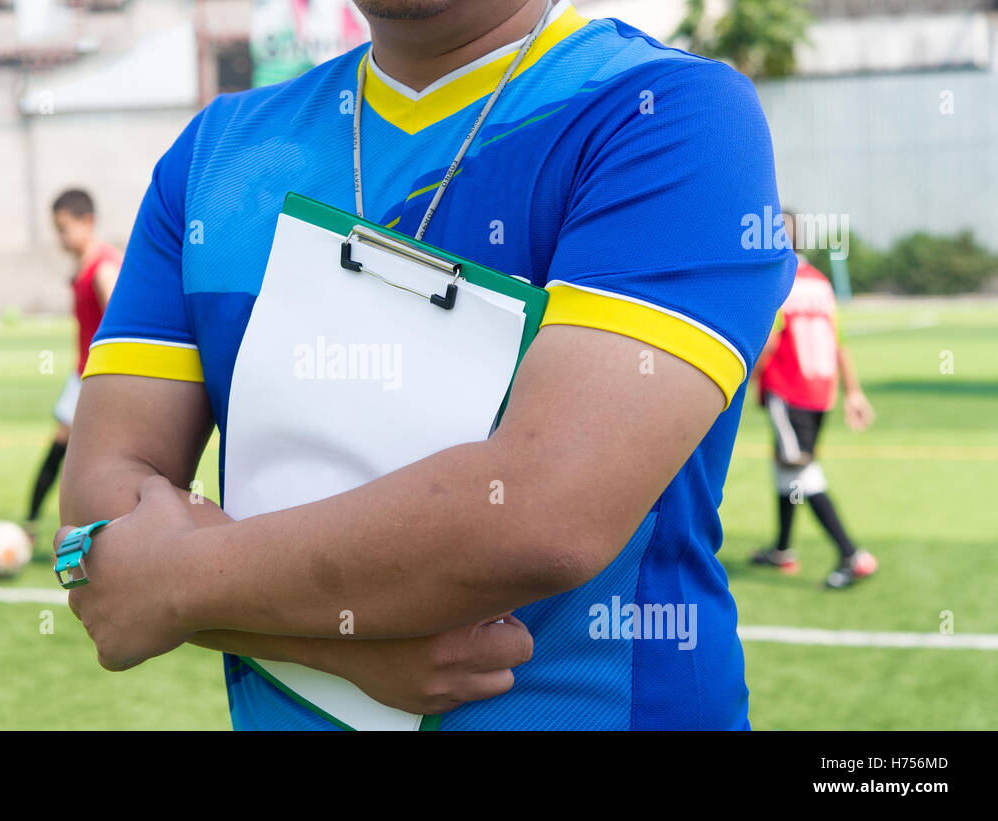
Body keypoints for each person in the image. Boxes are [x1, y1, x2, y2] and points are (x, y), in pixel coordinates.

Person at [57, 0, 793, 729]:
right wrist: (345, 649)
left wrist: (172, 583)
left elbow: (545, 511)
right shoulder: (215, 154)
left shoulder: (663, 114)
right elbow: (98, 506)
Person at [751, 211, 877, 589]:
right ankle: (783, 550)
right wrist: (853, 392)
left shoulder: (777, 283)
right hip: (821, 394)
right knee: (785, 466)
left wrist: (741, 382)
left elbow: (770, 342)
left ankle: (851, 554)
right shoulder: (820, 283)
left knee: (798, 470)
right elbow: (840, 343)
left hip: (788, 392)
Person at [24, 189, 121, 543]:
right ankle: (36, 525)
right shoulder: (86, 264)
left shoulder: (103, 267)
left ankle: (37, 527)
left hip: (95, 378)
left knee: (74, 456)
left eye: (64, 228)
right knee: (69, 454)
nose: (59, 237)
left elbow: (120, 322)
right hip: (82, 374)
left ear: (88, 222)